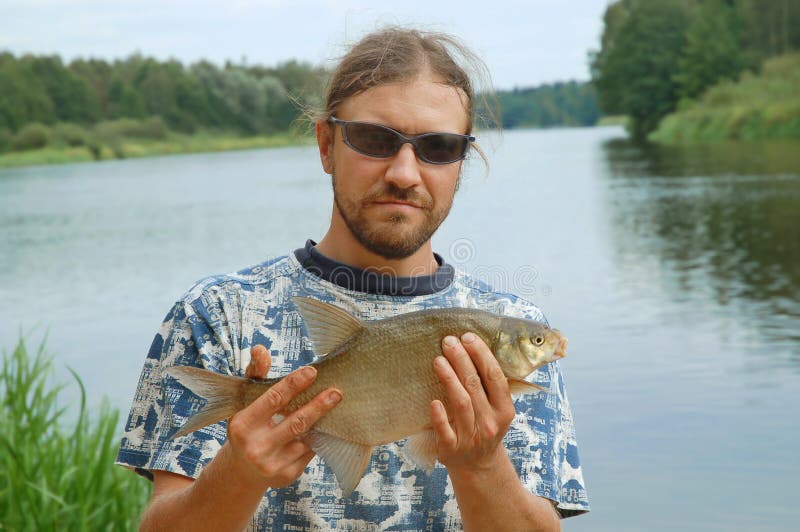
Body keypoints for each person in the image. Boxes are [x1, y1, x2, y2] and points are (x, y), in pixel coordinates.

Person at [116, 26, 590, 531]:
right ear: (326, 145)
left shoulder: (515, 332)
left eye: (439, 146)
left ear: (461, 163)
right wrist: (238, 474)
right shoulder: (218, 313)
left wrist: (480, 463)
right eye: (374, 139)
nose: (405, 172)